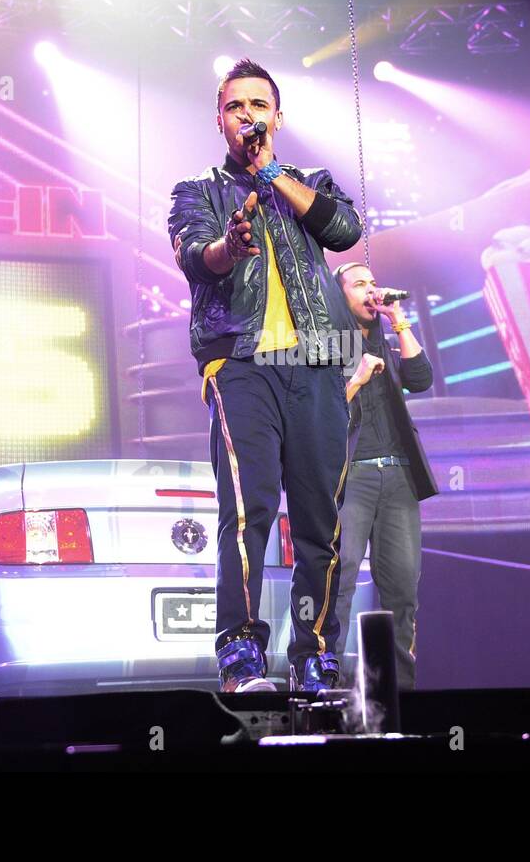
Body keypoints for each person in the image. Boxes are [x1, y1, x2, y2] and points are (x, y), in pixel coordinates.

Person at [167, 58, 363, 693]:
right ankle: (242, 649)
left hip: (314, 363)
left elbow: (343, 229)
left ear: (277, 116)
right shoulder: (196, 191)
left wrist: (274, 175)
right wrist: (232, 245)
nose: (247, 115)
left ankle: (312, 651)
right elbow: (198, 259)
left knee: (318, 517)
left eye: (258, 105)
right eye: (234, 107)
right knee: (249, 509)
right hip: (241, 362)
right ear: (219, 120)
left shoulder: (309, 181)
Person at [333, 262, 437, 690]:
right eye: (360, 284)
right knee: (339, 582)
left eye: (374, 283)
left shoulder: (387, 343)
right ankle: (327, 689)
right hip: (350, 477)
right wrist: (356, 378)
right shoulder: (324, 346)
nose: (372, 290)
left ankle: (398, 696)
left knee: (402, 591)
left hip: (397, 478)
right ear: (339, 296)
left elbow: (422, 379)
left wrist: (398, 321)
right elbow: (315, 413)